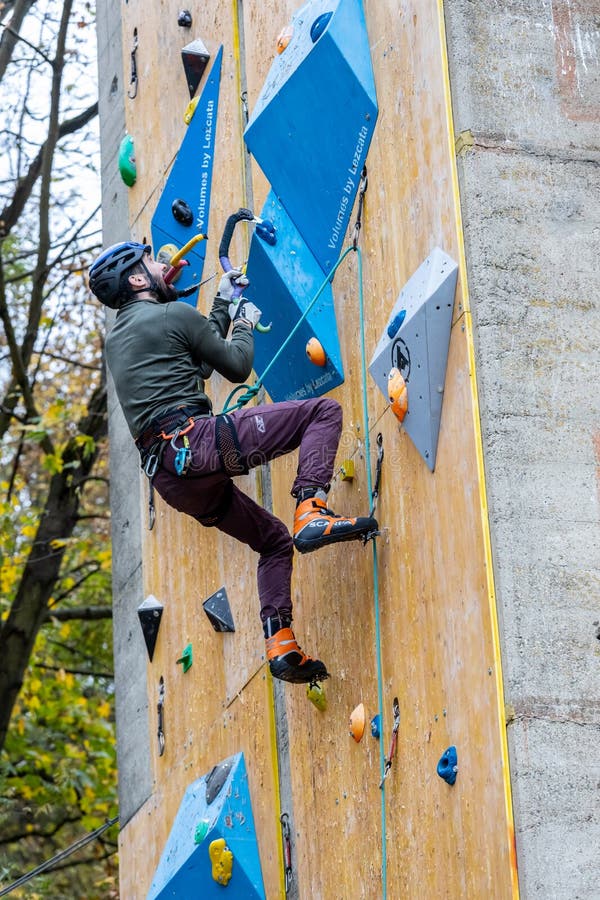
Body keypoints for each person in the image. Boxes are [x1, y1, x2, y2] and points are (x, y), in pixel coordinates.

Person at [89, 241, 378, 684]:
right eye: (152, 262)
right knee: (323, 412)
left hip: (175, 483)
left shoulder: (118, 342)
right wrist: (243, 321)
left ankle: (280, 644)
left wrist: (223, 301)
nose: (162, 265)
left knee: (274, 542)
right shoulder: (173, 316)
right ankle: (311, 507)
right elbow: (237, 366)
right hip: (199, 442)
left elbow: (194, 364)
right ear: (137, 279)